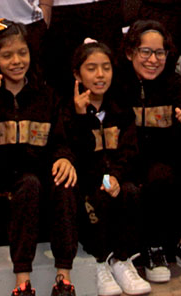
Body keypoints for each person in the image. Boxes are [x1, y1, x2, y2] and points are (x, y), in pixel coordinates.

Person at [0, 20, 79, 296]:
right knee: (29, 184)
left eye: (22, 53)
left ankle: (63, 279)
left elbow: (61, 141)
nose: (16, 61)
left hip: (37, 186)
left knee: (61, 182)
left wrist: (64, 157)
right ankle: (22, 283)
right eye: (7, 55)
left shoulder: (47, 96)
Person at [117, 20, 181, 283]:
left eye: (160, 53)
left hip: (166, 158)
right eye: (145, 51)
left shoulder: (176, 84)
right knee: (157, 176)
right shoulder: (118, 84)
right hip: (126, 163)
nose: (153, 59)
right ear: (130, 52)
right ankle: (153, 249)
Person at [64, 40, 150, 296]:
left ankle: (122, 260)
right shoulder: (68, 110)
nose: (100, 75)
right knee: (93, 198)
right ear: (77, 74)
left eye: (106, 68)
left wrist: (114, 176)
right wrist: (80, 117)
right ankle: (100, 261)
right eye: (91, 68)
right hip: (87, 181)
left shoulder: (121, 109)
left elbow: (129, 150)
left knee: (131, 192)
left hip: (114, 177)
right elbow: (74, 153)